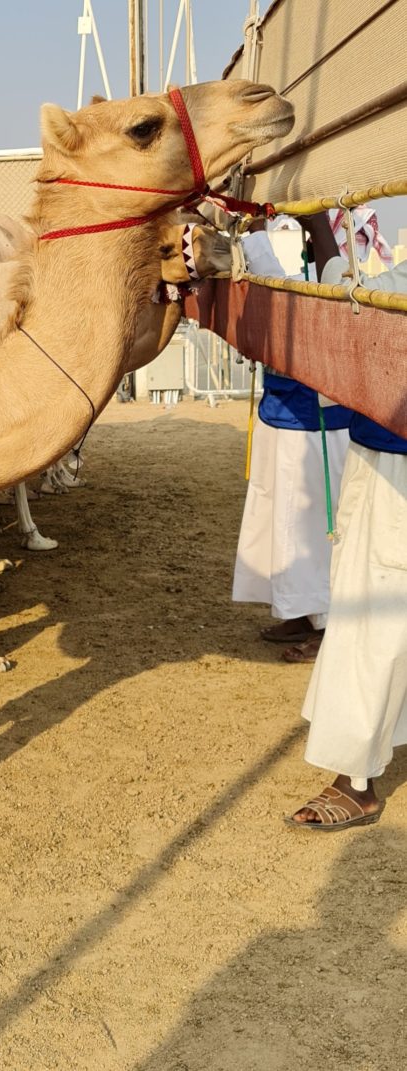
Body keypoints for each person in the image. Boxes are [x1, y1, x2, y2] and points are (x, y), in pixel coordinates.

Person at [286, 211, 407, 829]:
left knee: (371, 620)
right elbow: (351, 297)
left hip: (396, 476)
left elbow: (351, 317)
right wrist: (317, 231)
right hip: (380, 459)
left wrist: (316, 229)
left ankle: (356, 782)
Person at [232, 217, 353, 663]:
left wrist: (315, 226)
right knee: (280, 520)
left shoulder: (344, 290)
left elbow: (310, 291)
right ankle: (301, 612)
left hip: (319, 427)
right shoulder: (294, 287)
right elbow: (272, 285)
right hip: (282, 416)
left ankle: (328, 625)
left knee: (315, 528)